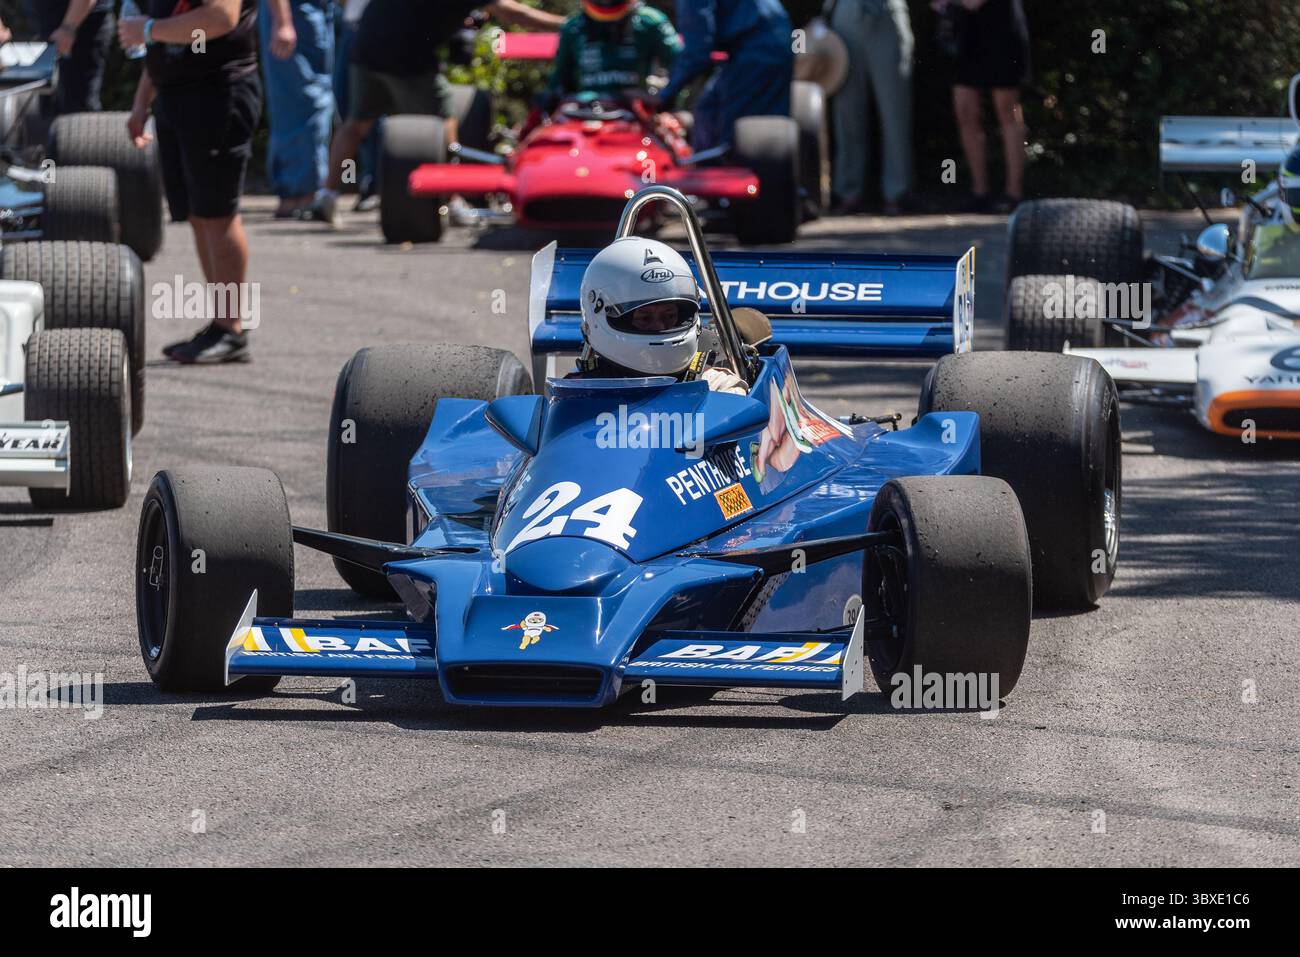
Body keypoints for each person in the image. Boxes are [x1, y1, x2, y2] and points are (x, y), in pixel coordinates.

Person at [307, 0, 562, 226]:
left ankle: (326, 196)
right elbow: (511, 12)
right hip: (405, 54)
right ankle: (451, 201)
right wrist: (567, 24)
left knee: (356, 124)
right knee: (443, 120)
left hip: (367, 43)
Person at [120, 0, 262, 364]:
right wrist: (141, 103)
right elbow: (166, 33)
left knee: (218, 215)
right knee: (200, 216)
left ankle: (231, 329)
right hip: (176, 93)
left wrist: (148, 29)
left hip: (218, 92)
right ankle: (221, 324)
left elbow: (220, 17)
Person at [571, 238, 746, 395]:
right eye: (645, 318)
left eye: (670, 315)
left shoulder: (719, 388)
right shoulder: (578, 392)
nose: (660, 326)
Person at [658, 0, 794, 152]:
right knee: (708, 110)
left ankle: (710, 172)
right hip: (775, 44)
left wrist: (661, 97)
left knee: (727, 141)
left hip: (756, 54)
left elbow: (697, 52)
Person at [937, 0, 1029, 212]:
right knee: (964, 110)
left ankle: (1014, 193)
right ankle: (979, 192)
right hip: (964, 30)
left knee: (1007, 108)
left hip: (1001, 27)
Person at [826, 0, 913, 216]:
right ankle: (848, 191)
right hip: (845, 14)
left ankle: (897, 192)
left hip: (887, 11)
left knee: (895, 111)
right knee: (847, 111)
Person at [259, 0, 334, 220]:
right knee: (299, 100)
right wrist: (283, 21)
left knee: (315, 98)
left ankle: (306, 193)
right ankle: (297, 195)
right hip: (293, 11)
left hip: (313, 10)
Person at [542, 1, 681, 105]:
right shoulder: (573, 27)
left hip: (636, 113)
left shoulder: (649, 21)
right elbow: (558, 83)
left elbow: (683, 65)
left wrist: (660, 97)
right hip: (583, 113)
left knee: (684, 121)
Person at [26, 0, 116, 113]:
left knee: (78, 107)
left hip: (80, 28)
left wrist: (67, 29)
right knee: (40, 108)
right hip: (45, 32)